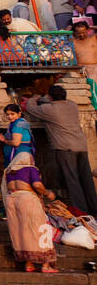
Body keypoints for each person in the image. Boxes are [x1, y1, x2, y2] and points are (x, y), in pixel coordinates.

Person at [24, 85, 97, 217]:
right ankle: (94, 209)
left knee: (72, 180)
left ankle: (81, 212)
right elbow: (50, 101)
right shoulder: (72, 105)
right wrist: (46, 98)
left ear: (51, 97)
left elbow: (30, 107)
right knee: (86, 180)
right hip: (81, 146)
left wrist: (34, 97)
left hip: (65, 148)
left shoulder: (49, 109)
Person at [2, 136, 59, 273]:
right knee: (40, 228)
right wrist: (47, 194)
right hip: (26, 199)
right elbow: (37, 185)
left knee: (22, 231)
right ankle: (46, 265)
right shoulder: (30, 169)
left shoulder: (9, 171)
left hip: (11, 200)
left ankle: (29, 264)